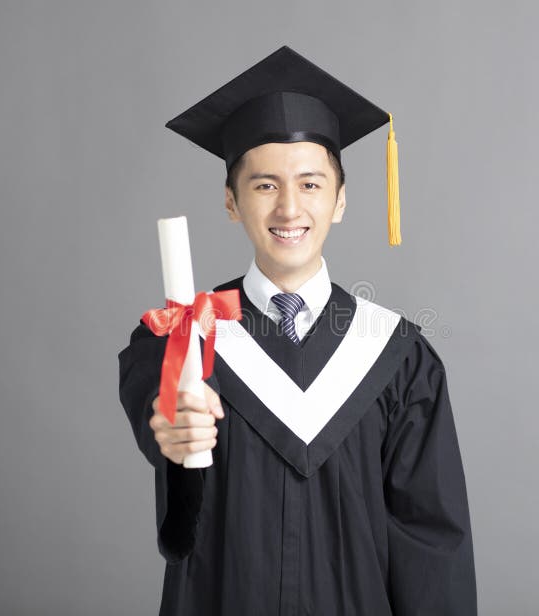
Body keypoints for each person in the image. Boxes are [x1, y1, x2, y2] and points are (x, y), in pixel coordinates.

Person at [118, 45, 477, 615]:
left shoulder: (400, 356)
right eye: (264, 186)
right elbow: (157, 413)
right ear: (232, 203)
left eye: (310, 184)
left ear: (339, 201)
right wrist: (169, 425)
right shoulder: (179, 340)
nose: (289, 209)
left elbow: (430, 542)